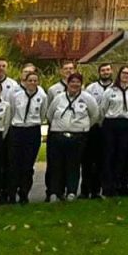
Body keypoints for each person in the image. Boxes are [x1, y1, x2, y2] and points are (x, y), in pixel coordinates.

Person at [46, 73, 100, 202]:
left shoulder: (88, 98)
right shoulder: (59, 98)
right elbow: (49, 114)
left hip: (78, 137)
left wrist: (82, 127)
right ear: (67, 83)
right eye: (72, 82)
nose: (75, 85)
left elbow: (94, 115)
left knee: (73, 165)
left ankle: (71, 191)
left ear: (81, 84)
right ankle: (55, 192)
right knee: (56, 165)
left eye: (77, 82)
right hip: (58, 135)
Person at [99, 65, 128, 198]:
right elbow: (102, 109)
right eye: (124, 73)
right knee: (109, 156)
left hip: (127, 124)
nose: (126, 76)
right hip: (111, 124)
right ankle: (108, 187)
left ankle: (121, 185)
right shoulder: (110, 91)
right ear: (119, 74)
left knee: (124, 156)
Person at [8, 69, 47, 203]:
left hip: (32, 130)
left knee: (28, 165)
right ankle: (11, 193)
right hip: (17, 130)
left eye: (35, 81)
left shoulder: (42, 96)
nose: (32, 83)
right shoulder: (16, 96)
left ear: (38, 82)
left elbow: (42, 114)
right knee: (14, 164)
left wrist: (34, 124)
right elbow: (12, 111)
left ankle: (24, 193)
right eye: (30, 80)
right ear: (25, 82)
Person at [83, 62, 115, 198]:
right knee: (89, 160)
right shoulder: (91, 88)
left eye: (108, 70)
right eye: (103, 70)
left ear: (111, 71)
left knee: (106, 159)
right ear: (99, 72)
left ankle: (106, 189)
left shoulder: (116, 88)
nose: (106, 72)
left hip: (109, 128)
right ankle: (88, 190)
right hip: (94, 128)